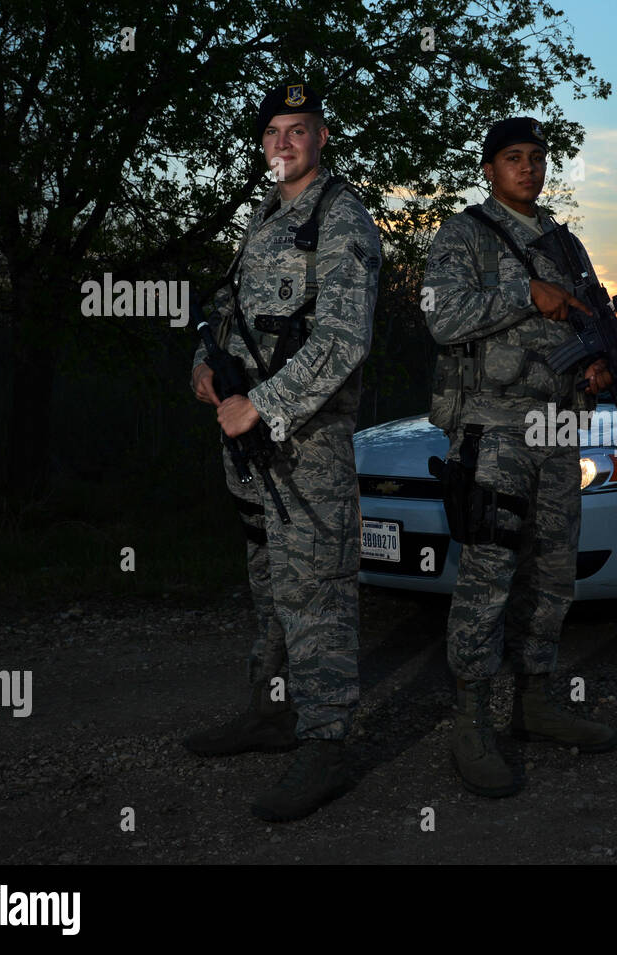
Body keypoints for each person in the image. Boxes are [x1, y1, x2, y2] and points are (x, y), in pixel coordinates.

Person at [184, 82, 382, 822]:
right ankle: (272, 712)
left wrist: (258, 405)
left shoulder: (342, 218)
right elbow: (226, 314)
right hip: (249, 448)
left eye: (299, 130)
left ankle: (327, 744)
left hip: (307, 449)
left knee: (316, 593)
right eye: (274, 131)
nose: (284, 143)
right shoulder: (264, 217)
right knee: (268, 583)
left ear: (322, 137)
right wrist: (205, 372)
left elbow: (342, 340)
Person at [423, 117, 617, 798]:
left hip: (556, 428)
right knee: (489, 573)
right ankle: (472, 720)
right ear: (489, 168)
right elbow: (440, 317)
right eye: (514, 158)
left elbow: (588, 315)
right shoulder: (465, 235)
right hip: (493, 428)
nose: (529, 169)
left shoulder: (567, 243)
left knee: (552, 568)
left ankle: (535, 700)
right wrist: (523, 293)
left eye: (537, 158)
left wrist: (597, 364)